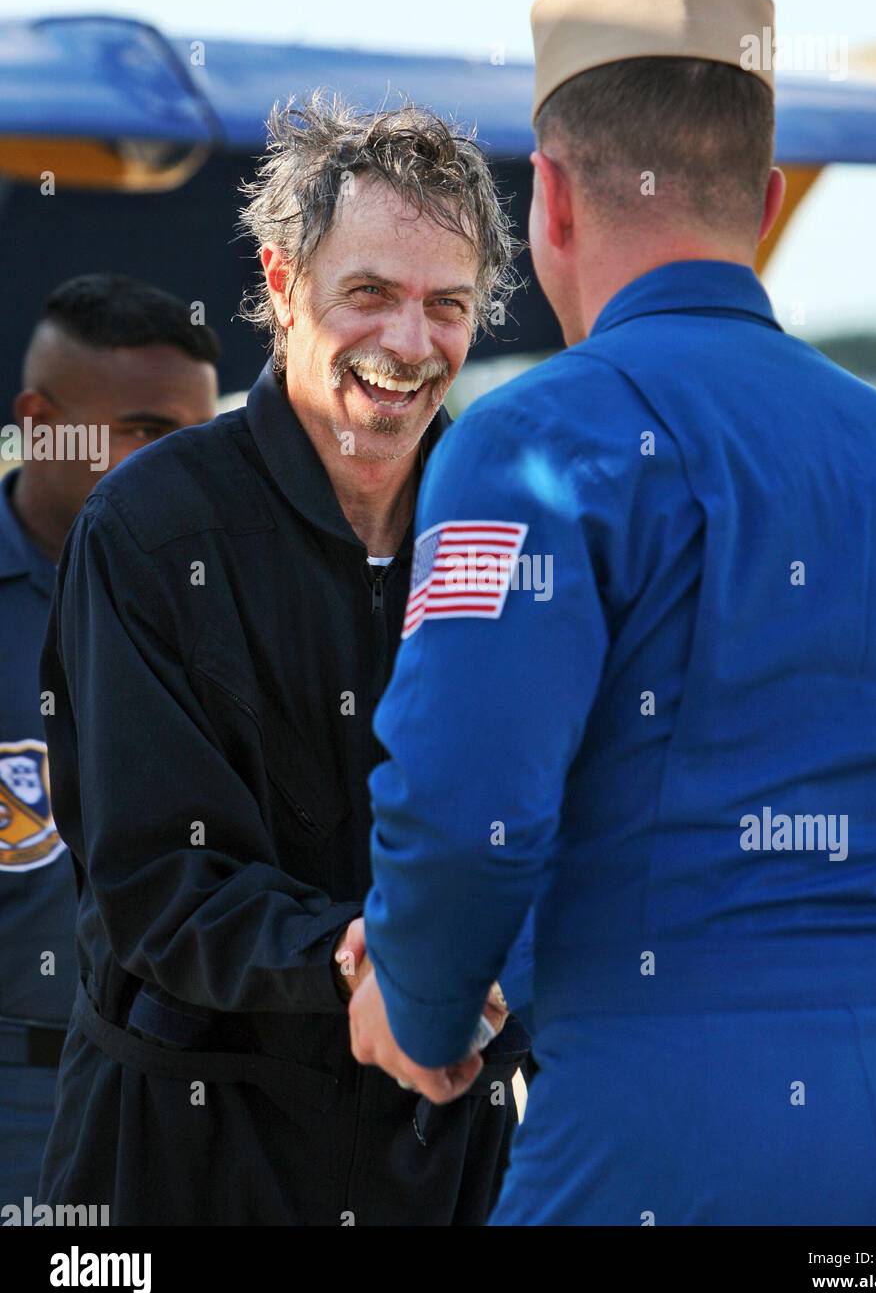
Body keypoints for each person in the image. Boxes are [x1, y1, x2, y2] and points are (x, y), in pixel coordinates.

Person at [349, 0, 876, 1224]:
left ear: (554, 197)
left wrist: (414, 1003)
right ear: (763, 201)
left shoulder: (532, 441)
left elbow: (471, 809)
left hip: (663, 1144)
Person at [38, 99, 530, 1226]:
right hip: (177, 1164)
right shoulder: (148, 528)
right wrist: (362, 964)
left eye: (446, 305)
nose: (410, 344)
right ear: (279, 280)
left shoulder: (516, 534)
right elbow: (158, 882)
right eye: (370, 293)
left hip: (440, 1158)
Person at [1, 272, 218, 1206]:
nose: (182, 464)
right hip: (19, 1101)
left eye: (202, 435)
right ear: (41, 423)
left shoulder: (226, 599)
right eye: (144, 431)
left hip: (194, 1095)